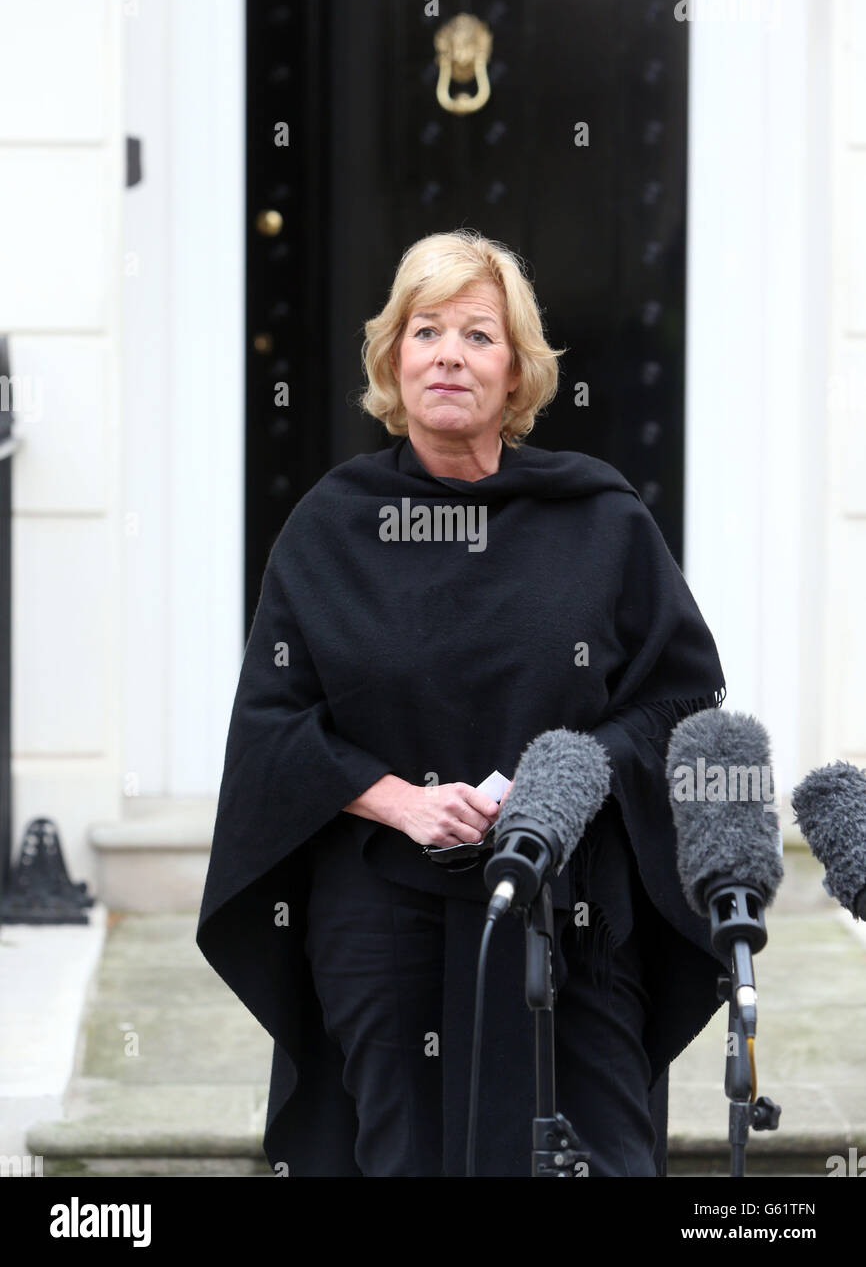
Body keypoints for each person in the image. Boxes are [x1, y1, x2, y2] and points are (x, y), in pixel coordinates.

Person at [196, 228, 727, 1177]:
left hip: (567, 921)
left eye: (478, 335)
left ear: (517, 371)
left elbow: (680, 705)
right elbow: (273, 725)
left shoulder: (601, 523)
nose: (449, 354)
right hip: (381, 921)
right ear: (392, 361)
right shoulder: (330, 528)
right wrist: (401, 799)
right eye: (425, 330)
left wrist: (561, 781)